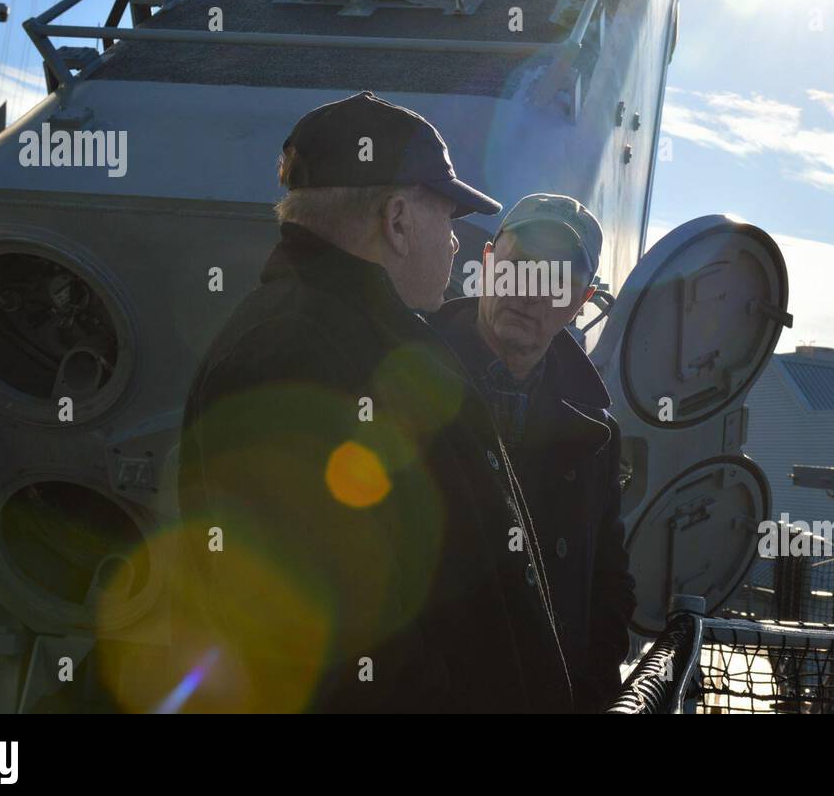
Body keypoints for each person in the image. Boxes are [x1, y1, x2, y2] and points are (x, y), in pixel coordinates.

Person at [174, 92, 571, 713]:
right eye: (449, 219)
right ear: (398, 221)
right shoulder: (293, 353)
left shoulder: (344, 336)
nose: (457, 245)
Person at [429, 194, 636, 712]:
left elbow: (609, 585)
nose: (529, 292)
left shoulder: (597, 437)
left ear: (580, 301)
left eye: (557, 281)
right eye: (519, 266)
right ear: (487, 264)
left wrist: (590, 694)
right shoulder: (402, 381)